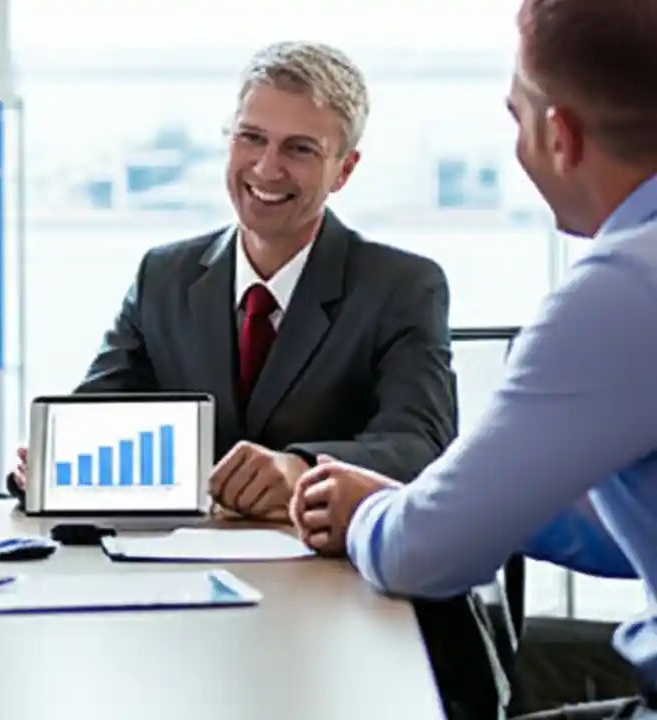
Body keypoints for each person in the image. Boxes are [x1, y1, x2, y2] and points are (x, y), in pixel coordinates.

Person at [291, 1, 657, 717]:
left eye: (516, 116)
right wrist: (474, 503)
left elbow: (419, 557)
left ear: (560, 135)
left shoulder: (624, 290)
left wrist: (374, 514)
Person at [8, 41, 456, 522]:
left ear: (343, 170)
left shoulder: (402, 286)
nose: (266, 167)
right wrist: (51, 457)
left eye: (299, 149)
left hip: (333, 574)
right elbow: (97, 414)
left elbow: (419, 446)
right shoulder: (163, 277)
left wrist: (299, 469)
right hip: (180, 568)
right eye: (251, 138)